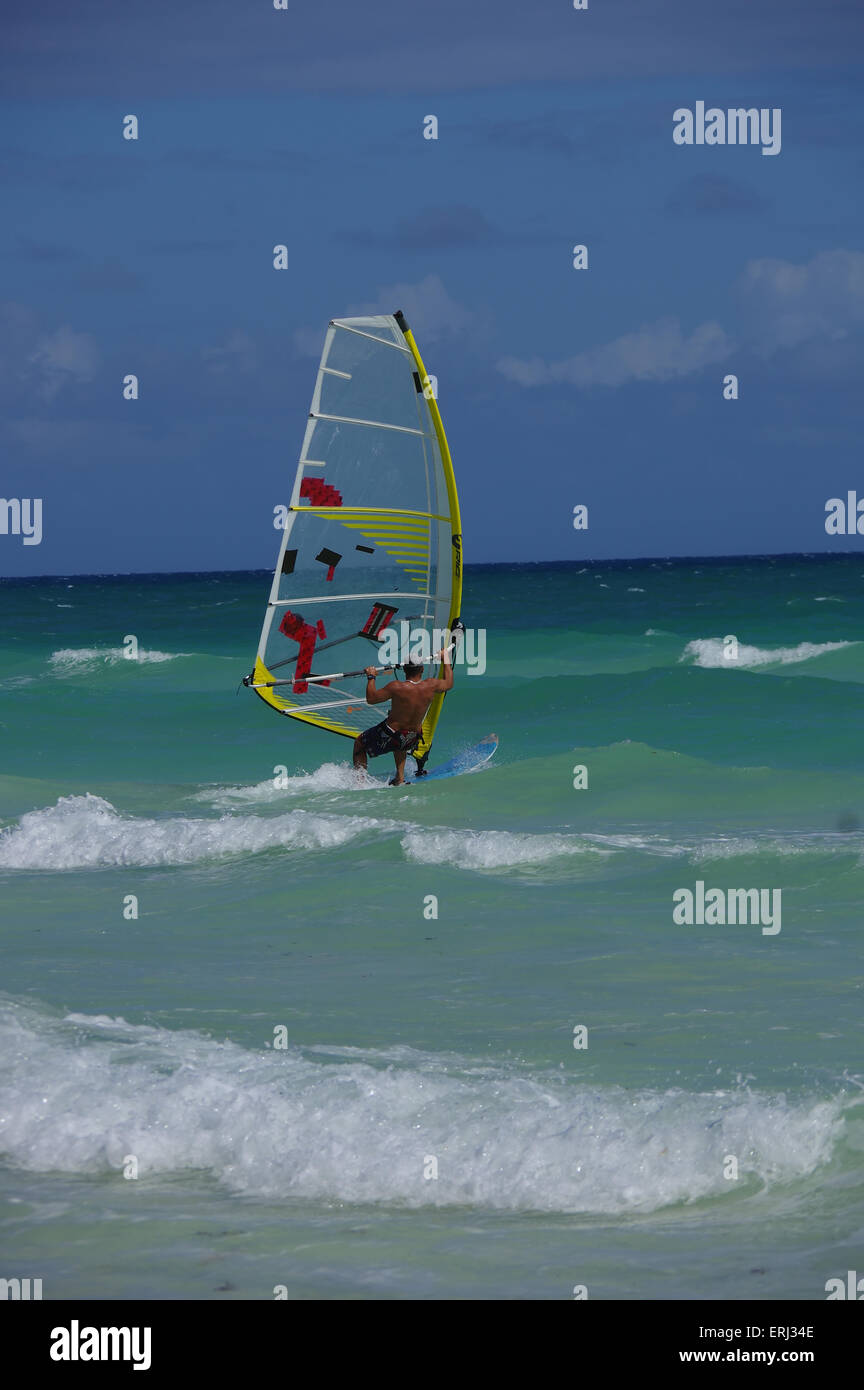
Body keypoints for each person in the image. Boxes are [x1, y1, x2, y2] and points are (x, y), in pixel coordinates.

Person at [353, 646, 454, 785]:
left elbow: (371, 699)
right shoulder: (431, 685)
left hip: (391, 735)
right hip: (412, 737)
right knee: (401, 740)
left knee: (359, 743)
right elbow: (449, 683)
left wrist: (371, 677)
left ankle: (360, 783)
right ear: (422, 669)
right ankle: (400, 778)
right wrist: (445, 658)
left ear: (405, 670)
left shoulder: (396, 687)